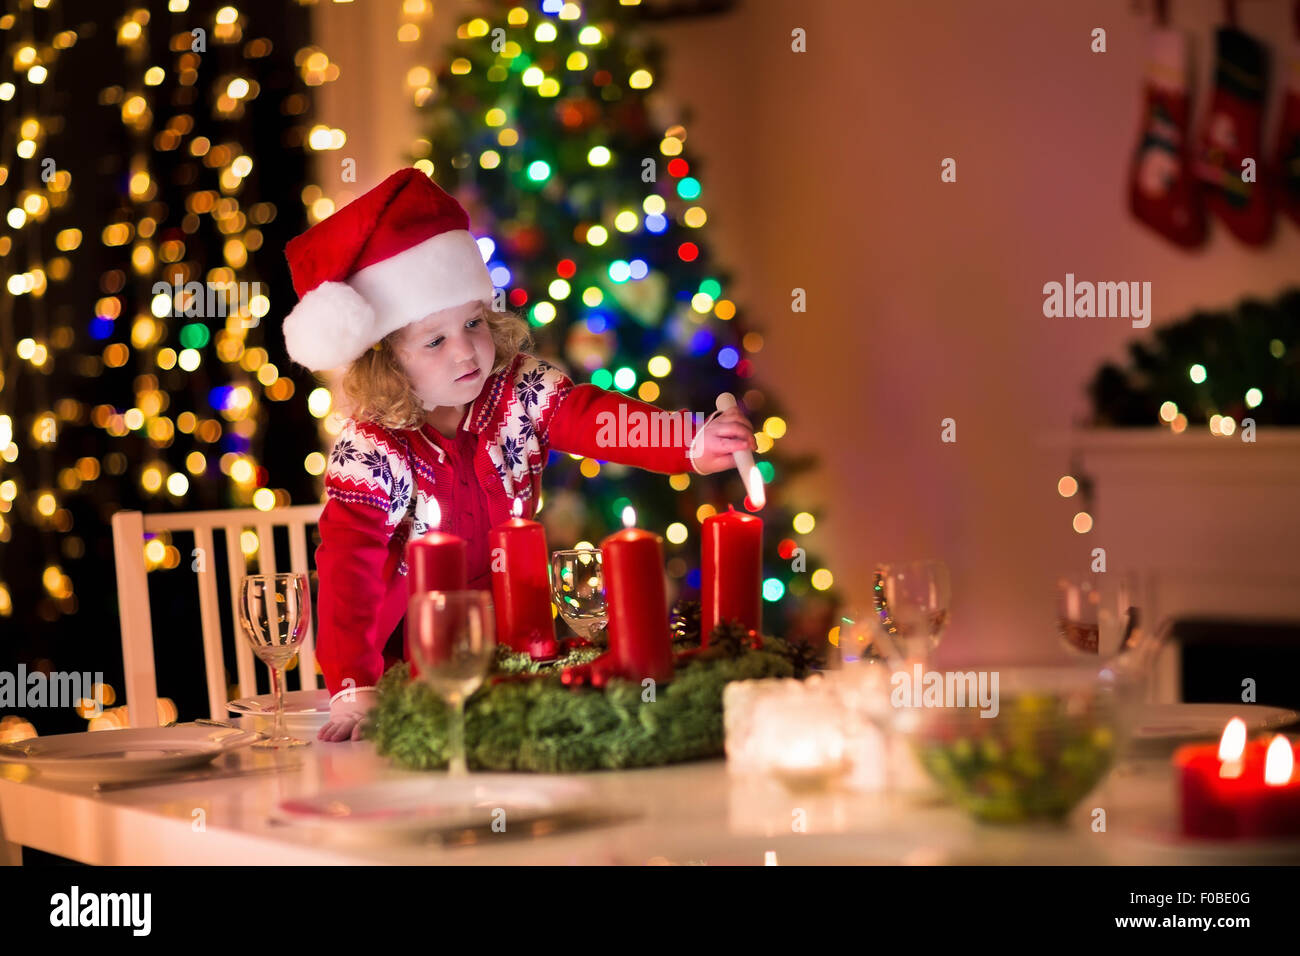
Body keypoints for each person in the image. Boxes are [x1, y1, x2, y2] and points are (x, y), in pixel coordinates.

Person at [280, 168, 755, 742]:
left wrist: (691, 438)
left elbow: (598, 420)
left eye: (474, 323)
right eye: (435, 340)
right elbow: (348, 569)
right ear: (388, 362)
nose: (467, 351)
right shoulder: (374, 447)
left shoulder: (519, 392)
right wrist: (354, 686)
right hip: (408, 659)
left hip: (515, 634)